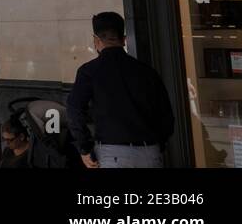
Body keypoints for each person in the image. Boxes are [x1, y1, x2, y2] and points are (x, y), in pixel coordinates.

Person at [68, 11, 175, 168]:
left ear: (96, 40)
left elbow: (74, 109)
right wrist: (158, 144)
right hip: (149, 152)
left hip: (111, 153)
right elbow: (166, 116)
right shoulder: (146, 71)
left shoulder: (89, 71)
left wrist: (84, 148)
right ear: (124, 40)